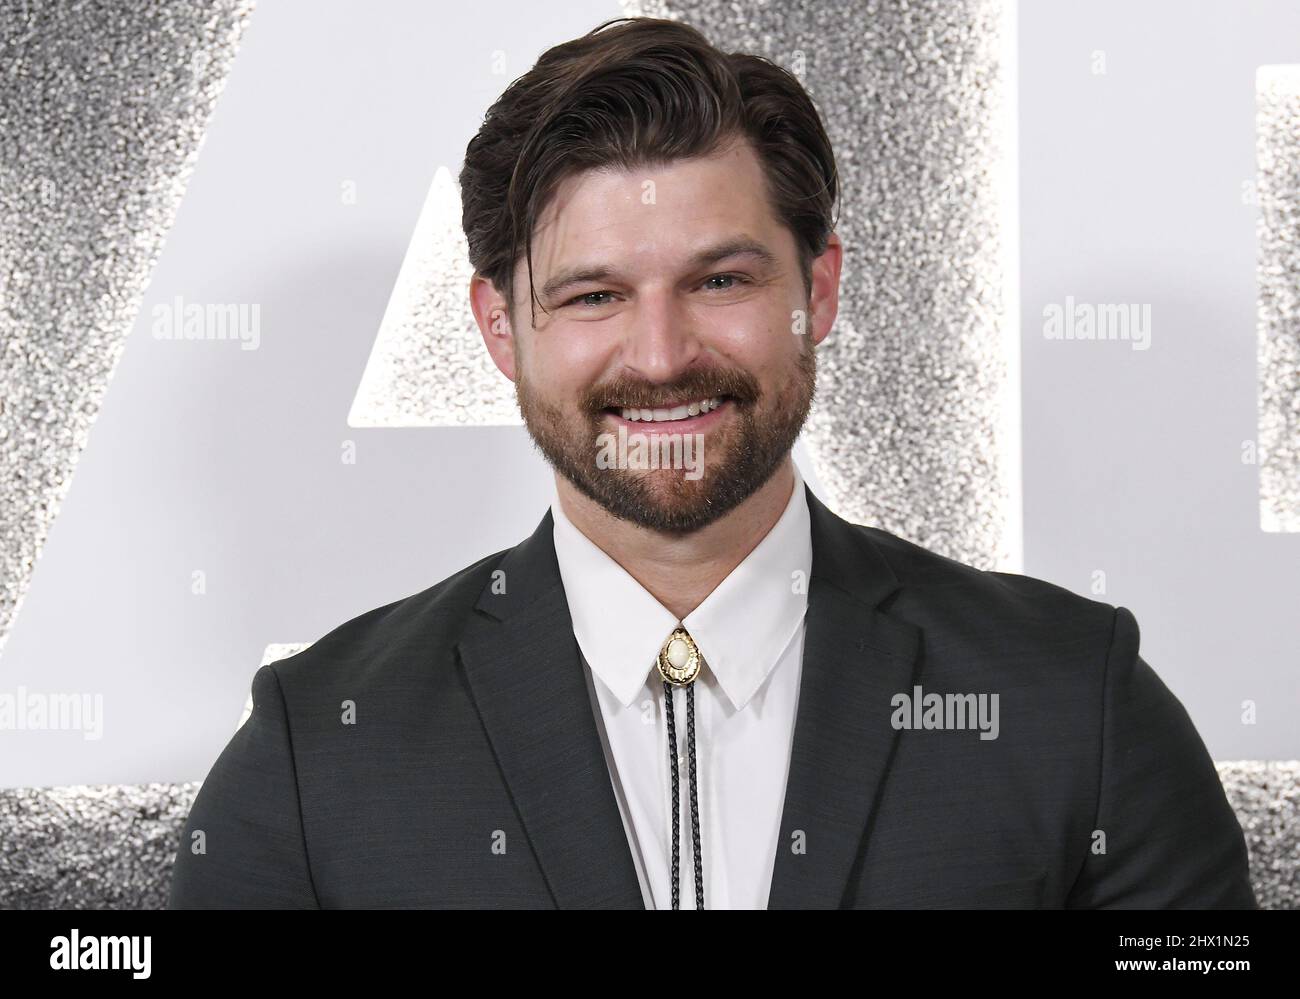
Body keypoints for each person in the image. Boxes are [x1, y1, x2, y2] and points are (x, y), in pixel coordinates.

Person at [168, 15, 1255, 909]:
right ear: (500, 328)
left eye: (721, 281)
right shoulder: (317, 756)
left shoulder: (1075, 703)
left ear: (815, 293)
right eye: (593, 295)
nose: (661, 354)